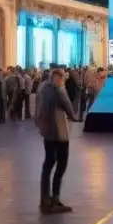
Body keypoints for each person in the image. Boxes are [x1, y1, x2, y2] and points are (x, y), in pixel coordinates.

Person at [35, 67, 77, 214]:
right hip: (59, 133)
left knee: (48, 165)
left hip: (47, 133)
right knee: (61, 164)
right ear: (59, 77)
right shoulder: (58, 90)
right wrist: (74, 117)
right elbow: (68, 107)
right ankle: (54, 199)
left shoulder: (42, 88)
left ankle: (45, 200)